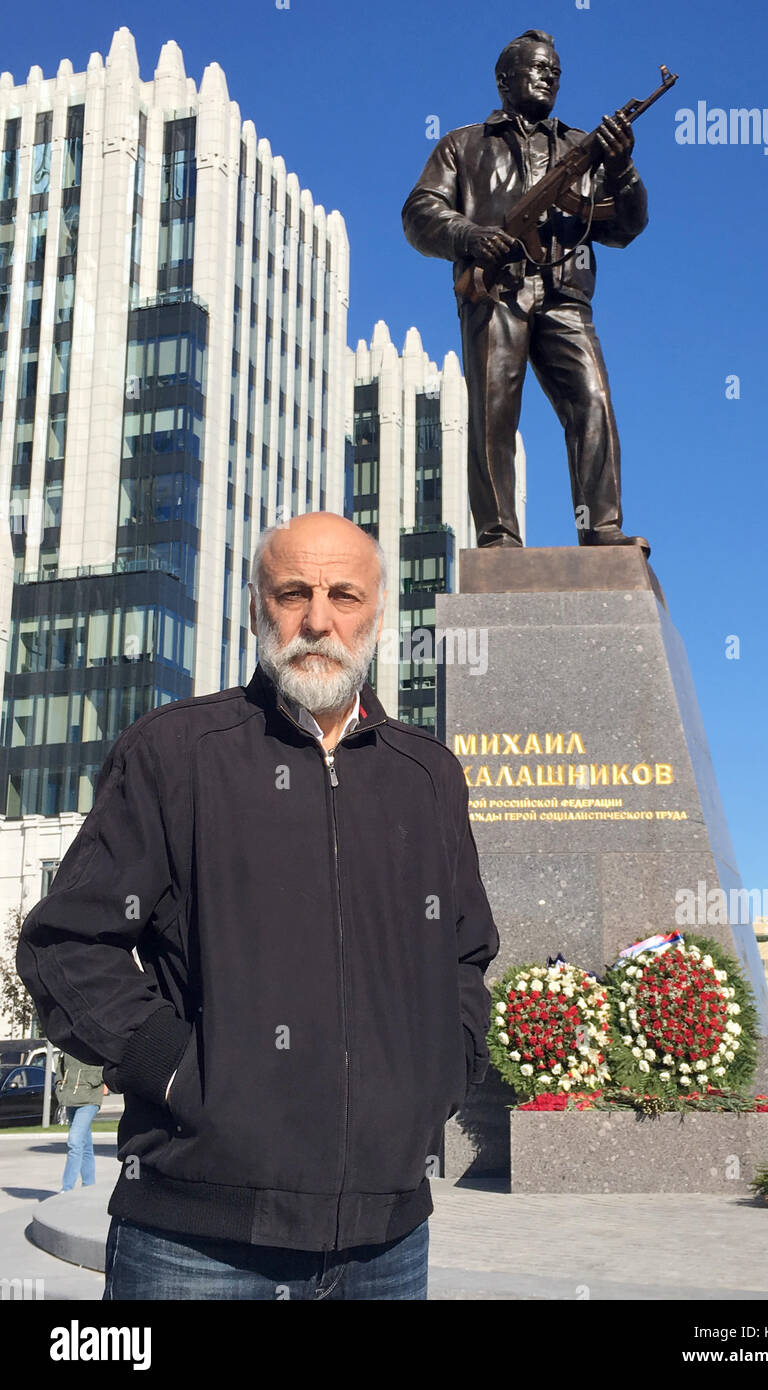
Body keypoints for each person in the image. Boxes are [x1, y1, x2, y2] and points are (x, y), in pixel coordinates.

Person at [17, 513, 499, 1301]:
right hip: (194, 1243)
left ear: (376, 615)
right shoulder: (175, 752)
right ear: (255, 611)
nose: (317, 618)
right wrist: (176, 1070)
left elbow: (464, 953)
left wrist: (440, 1074)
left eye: (344, 595)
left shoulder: (428, 776)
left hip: (388, 1243)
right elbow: (68, 941)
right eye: (292, 593)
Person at [403, 28, 650, 552]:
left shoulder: (584, 147)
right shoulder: (463, 145)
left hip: (564, 292)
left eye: (555, 72)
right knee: (493, 410)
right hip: (495, 293)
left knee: (592, 399)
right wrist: (471, 236)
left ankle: (600, 527)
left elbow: (626, 228)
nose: (548, 78)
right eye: (537, 69)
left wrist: (622, 168)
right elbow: (420, 213)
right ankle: (497, 536)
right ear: (503, 79)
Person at [55, 1051, 106, 1191]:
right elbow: (61, 1066)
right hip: (70, 1097)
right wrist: (59, 1083)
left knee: (74, 1142)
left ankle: (66, 1188)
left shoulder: (94, 1041)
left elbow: (106, 1064)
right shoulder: (68, 1042)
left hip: (89, 1098)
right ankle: (89, 1186)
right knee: (85, 1145)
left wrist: (90, 1080)